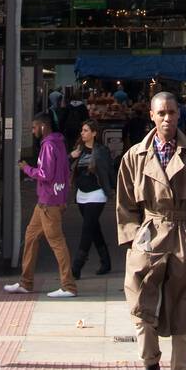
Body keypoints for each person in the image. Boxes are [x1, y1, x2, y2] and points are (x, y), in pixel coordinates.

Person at [117, 92, 186, 370]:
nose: (167, 118)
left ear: (179, 115)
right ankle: (150, 361)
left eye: (172, 112)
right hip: (149, 235)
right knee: (140, 305)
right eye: (161, 113)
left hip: (183, 236)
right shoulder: (134, 157)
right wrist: (134, 236)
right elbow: (124, 203)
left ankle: (180, 368)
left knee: (183, 312)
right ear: (151, 115)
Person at [5, 114, 77, 298]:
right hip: (49, 200)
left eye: (34, 127)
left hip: (48, 202)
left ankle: (68, 286)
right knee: (30, 237)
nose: (33, 130)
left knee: (57, 242)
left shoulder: (48, 145)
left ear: (43, 126)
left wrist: (26, 169)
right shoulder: (59, 143)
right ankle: (26, 283)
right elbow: (65, 171)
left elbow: (45, 174)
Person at [70, 119, 114, 278]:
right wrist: (71, 156)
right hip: (81, 195)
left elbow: (108, 171)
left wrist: (111, 188)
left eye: (86, 130)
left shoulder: (101, 151)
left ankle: (76, 266)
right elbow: (67, 169)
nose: (82, 133)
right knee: (94, 228)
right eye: (82, 130)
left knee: (87, 230)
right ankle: (106, 261)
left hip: (97, 194)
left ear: (94, 133)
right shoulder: (78, 150)